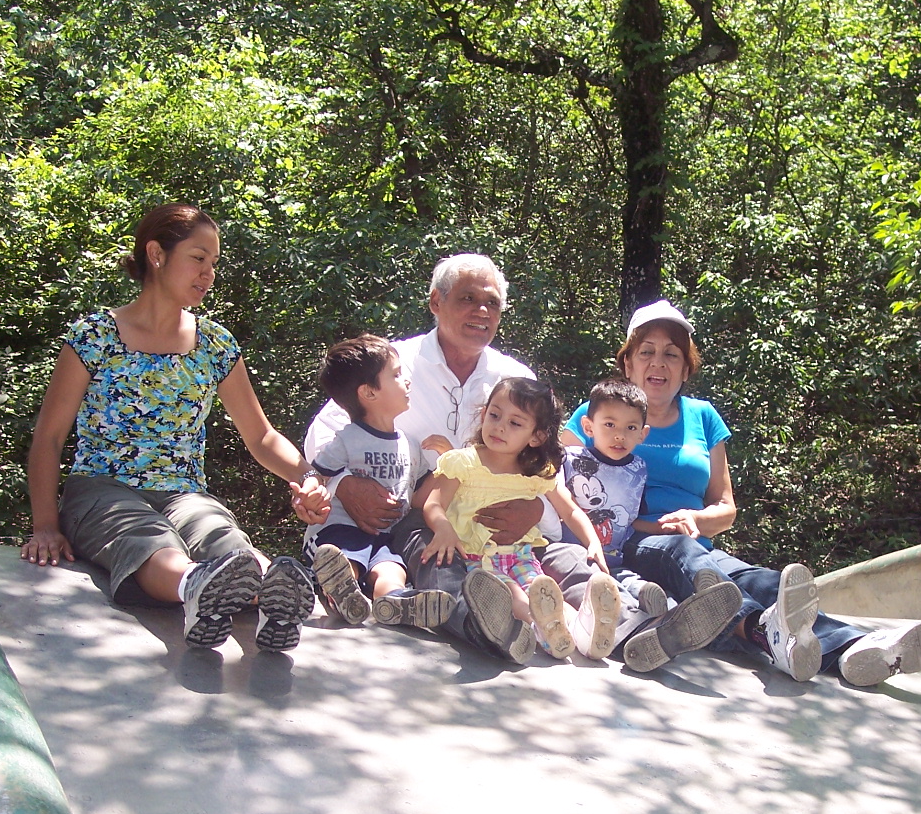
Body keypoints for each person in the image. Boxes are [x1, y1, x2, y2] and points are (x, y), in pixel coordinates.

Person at [303, 253, 736, 669]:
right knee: (441, 561)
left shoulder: (517, 378)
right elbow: (326, 438)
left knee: (569, 560)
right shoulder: (394, 366)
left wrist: (538, 508)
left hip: (522, 533)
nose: (481, 311)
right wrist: (341, 485)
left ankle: (637, 630)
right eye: (468, 298)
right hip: (425, 516)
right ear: (437, 302)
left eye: (492, 302)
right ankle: (486, 626)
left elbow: (554, 467)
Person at [564, 299, 921, 686]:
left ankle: (857, 649)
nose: (658, 363)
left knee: (765, 581)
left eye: (671, 353)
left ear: (686, 367)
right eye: (646, 352)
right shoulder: (598, 413)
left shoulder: (704, 417)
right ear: (628, 363)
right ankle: (762, 631)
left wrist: (696, 519)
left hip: (697, 549)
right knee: (686, 557)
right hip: (631, 543)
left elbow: (726, 508)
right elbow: (553, 483)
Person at [21, 203, 329, 652]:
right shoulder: (94, 336)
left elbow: (260, 436)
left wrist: (306, 477)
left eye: (214, 264)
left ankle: (274, 602)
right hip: (102, 490)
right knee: (148, 539)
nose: (209, 274)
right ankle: (195, 587)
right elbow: (48, 438)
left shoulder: (216, 344)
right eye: (198, 258)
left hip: (184, 493)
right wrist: (45, 525)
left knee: (222, 536)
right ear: (156, 253)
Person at [421, 378, 610, 659]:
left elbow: (569, 509)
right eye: (495, 415)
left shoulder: (536, 471)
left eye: (515, 423)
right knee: (516, 596)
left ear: (536, 437)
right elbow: (433, 503)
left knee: (544, 590)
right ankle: (544, 631)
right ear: (484, 414)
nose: (499, 427)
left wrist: (592, 541)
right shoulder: (463, 462)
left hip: (521, 556)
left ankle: (587, 632)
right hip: (478, 559)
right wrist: (444, 528)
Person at [305, 334, 451, 629]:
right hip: (341, 528)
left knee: (390, 570)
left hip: (385, 536)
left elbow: (421, 497)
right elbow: (318, 473)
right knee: (349, 563)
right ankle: (342, 591)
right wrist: (310, 492)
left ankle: (395, 602)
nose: (406, 381)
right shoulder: (348, 439)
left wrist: (451, 464)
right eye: (396, 375)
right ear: (369, 393)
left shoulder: (409, 444)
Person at [561, 378, 672, 616]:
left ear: (643, 434)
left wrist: (663, 528)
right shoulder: (569, 460)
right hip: (575, 552)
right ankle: (629, 612)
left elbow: (631, 519)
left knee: (628, 578)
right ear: (588, 427)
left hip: (615, 556)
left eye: (630, 428)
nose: (620, 435)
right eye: (610, 424)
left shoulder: (638, 469)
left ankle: (655, 602)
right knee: (599, 582)